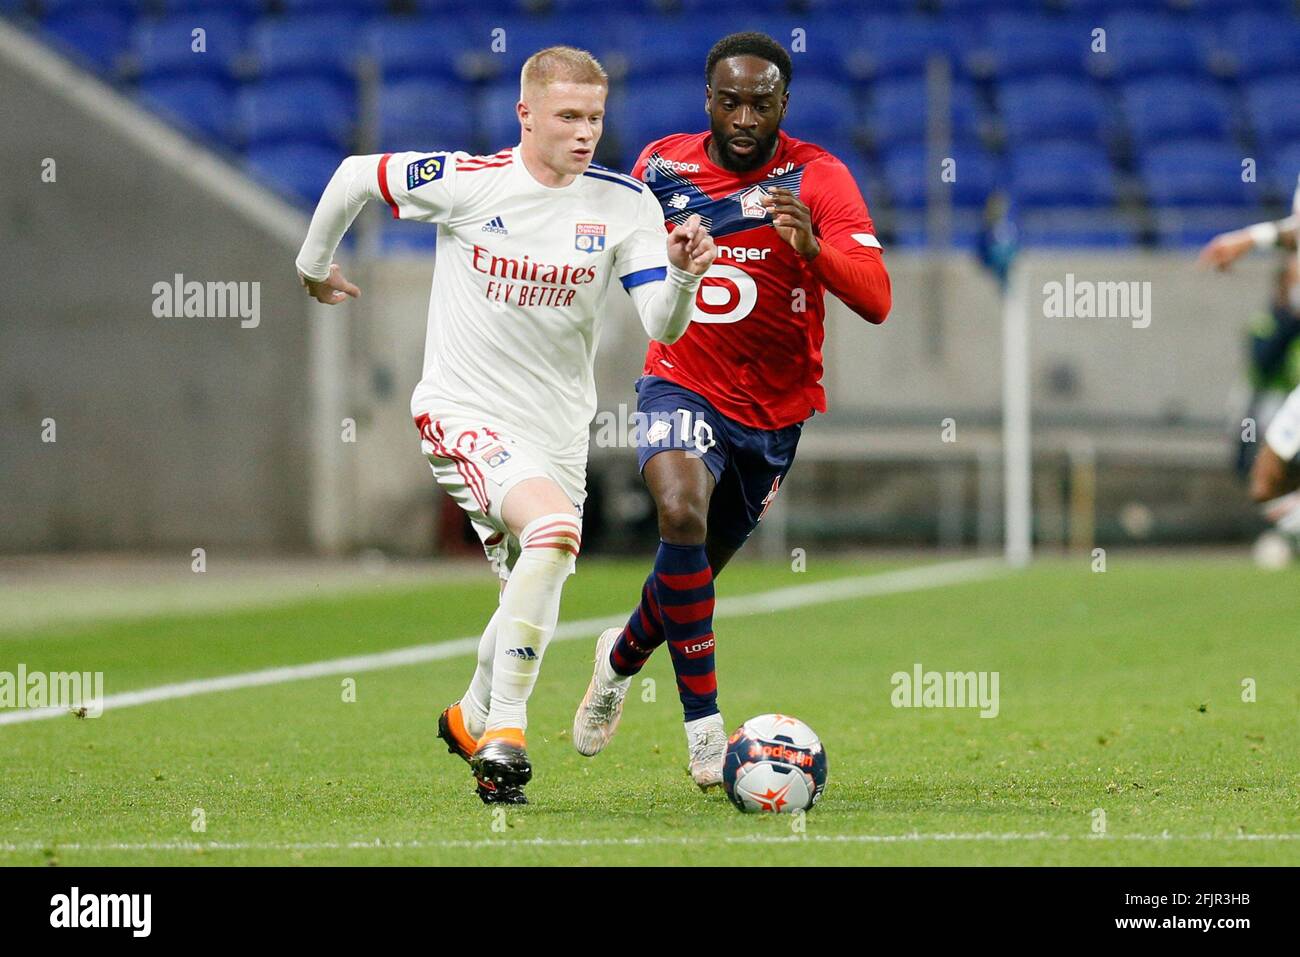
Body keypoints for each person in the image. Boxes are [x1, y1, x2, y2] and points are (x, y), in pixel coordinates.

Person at [294, 46, 716, 804]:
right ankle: (507, 735)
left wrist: (685, 273)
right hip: (463, 411)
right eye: (567, 117)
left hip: (556, 432)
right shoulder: (468, 182)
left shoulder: (626, 205)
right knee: (553, 534)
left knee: (538, 573)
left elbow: (666, 324)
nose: (585, 133)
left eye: (594, 117)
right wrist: (312, 263)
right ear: (525, 115)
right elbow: (357, 173)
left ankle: (472, 714)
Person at [571, 32, 891, 788]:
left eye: (762, 101)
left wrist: (813, 248)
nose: (745, 116)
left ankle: (617, 661)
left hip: (773, 416)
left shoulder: (819, 177)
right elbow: (609, 251)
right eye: (730, 100)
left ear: (785, 103)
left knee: (689, 577)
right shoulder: (660, 166)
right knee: (679, 513)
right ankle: (705, 732)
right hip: (681, 380)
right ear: (707, 100)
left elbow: (876, 298)